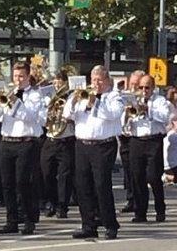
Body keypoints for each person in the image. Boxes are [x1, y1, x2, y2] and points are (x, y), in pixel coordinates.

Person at [0, 60, 46, 235]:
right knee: (7, 184)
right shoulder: (8, 93)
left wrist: (13, 102)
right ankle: (11, 220)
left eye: (21, 76)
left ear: (28, 77)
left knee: (23, 183)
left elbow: (28, 116)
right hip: (6, 141)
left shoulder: (34, 95)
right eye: (15, 76)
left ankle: (28, 220)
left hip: (26, 142)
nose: (17, 79)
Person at [65, 65, 123, 240]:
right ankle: (88, 224)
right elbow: (67, 115)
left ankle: (110, 224)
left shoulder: (114, 97)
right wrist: (74, 100)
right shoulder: (82, 96)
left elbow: (112, 115)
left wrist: (94, 102)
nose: (95, 83)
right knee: (83, 186)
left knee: (101, 186)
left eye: (99, 80)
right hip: (82, 145)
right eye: (93, 79)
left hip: (103, 146)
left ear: (107, 81)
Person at [126, 74, 171, 224]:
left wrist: (148, 110)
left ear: (153, 88)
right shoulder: (133, 100)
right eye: (141, 87)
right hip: (136, 140)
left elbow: (164, 118)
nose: (144, 90)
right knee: (137, 177)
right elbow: (125, 123)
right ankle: (140, 212)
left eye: (147, 87)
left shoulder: (160, 101)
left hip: (154, 141)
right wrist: (127, 116)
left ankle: (160, 208)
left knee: (153, 177)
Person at [40, 69, 74, 219]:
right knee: (47, 173)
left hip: (66, 140)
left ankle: (63, 206)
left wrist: (67, 116)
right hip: (50, 139)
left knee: (65, 176)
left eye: (59, 81)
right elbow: (40, 120)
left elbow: (76, 116)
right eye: (54, 81)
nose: (56, 84)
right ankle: (52, 202)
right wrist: (49, 114)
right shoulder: (47, 98)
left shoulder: (72, 97)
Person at [118, 70, 144, 215]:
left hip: (138, 137)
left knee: (137, 171)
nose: (133, 87)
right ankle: (131, 199)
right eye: (132, 83)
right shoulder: (123, 97)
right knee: (127, 170)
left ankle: (139, 201)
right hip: (124, 136)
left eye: (136, 84)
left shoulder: (146, 97)